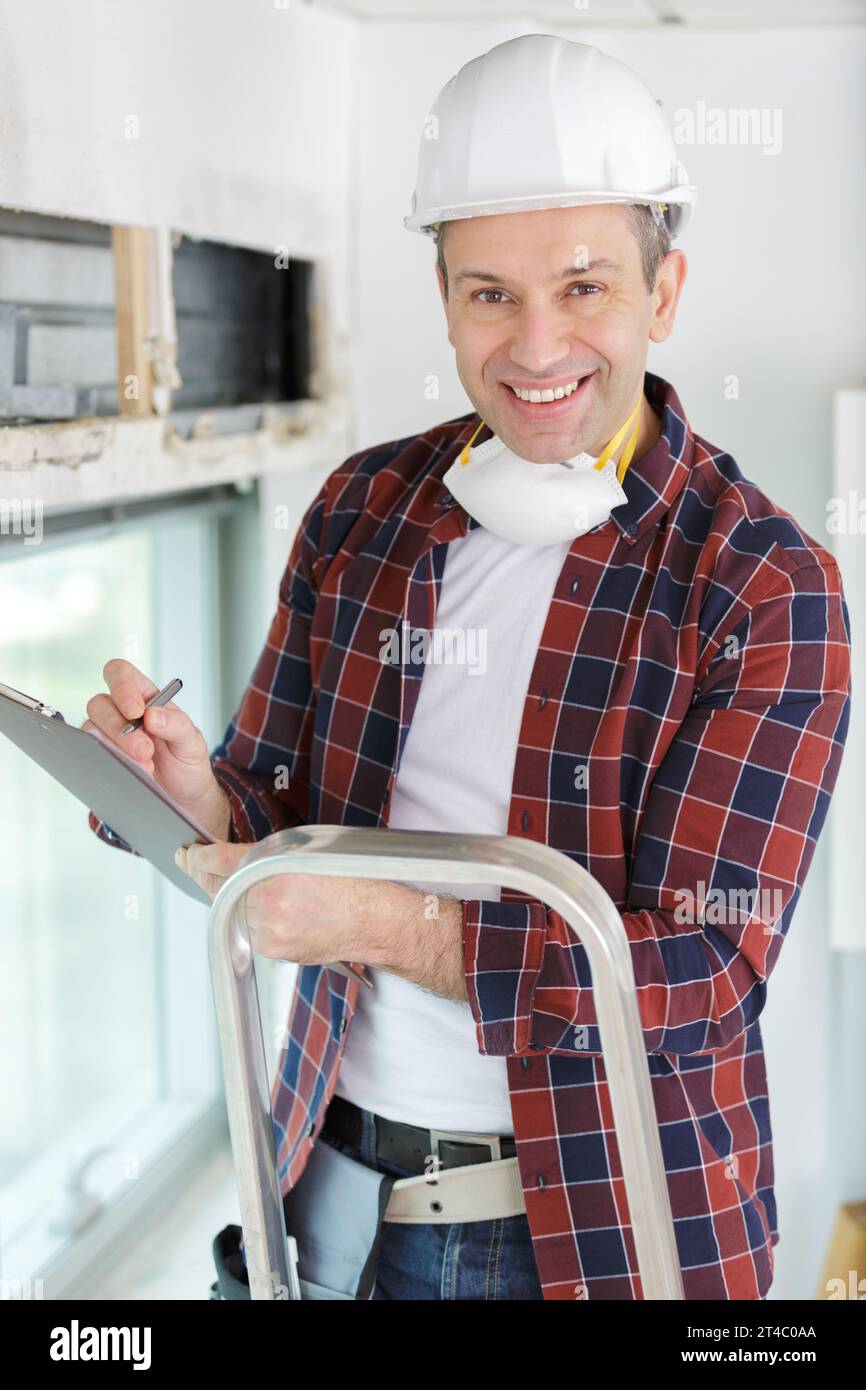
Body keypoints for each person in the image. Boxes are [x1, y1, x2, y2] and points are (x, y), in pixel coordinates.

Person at [85, 34, 851, 1300]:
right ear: (443, 296)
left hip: (589, 1235)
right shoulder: (364, 509)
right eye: (488, 292)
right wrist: (195, 799)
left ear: (661, 297)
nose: (535, 344)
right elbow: (275, 816)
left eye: (584, 286)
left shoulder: (761, 585)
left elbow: (697, 975)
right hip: (322, 1191)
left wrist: (392, 926)